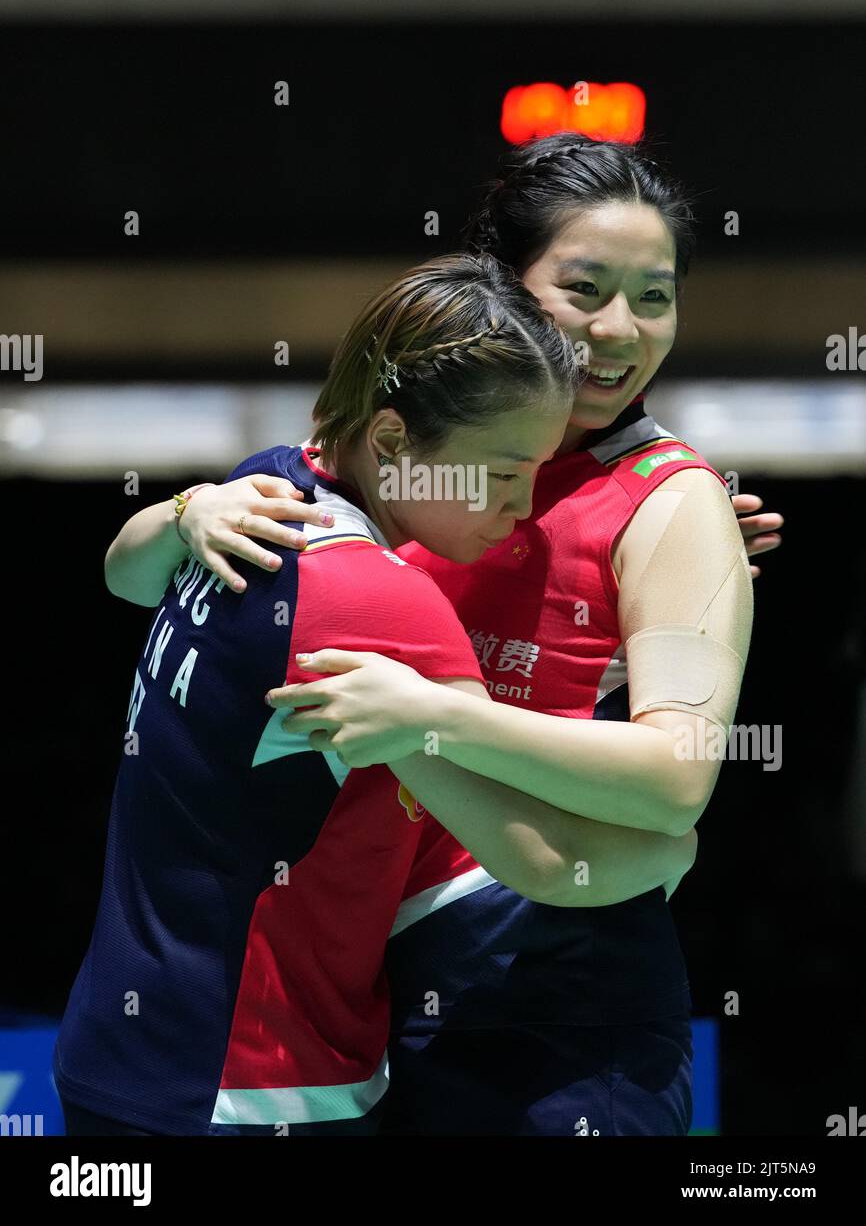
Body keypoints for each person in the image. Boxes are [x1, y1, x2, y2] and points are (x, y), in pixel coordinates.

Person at [54, 252, 696, 1137]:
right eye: (505, 473)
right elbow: (539, 860)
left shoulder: (267, 485)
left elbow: (123, 577)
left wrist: (186, 506)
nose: (523, 507)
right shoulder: (377, 604)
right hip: (257, 1083)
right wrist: (673, 849)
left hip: (115, 1052)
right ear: (394, 443)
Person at [260, 134, 773, 1135]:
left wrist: (429, 720)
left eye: (653, 295)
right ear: (502, 282)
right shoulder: (409, 448)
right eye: (583, 287)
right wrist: (186, 517)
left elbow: (678, 774)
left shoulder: (669, 499)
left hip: (554, 984)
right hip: (360, 967)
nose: (618, 330)